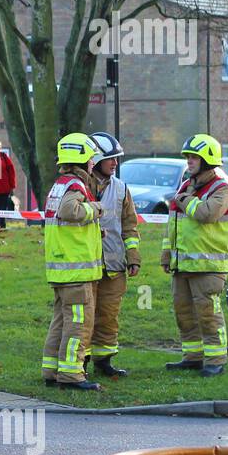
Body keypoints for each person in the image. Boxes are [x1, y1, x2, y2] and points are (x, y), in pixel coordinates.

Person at [162, 134, 228, 377]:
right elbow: (172, 224)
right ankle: (192, 357)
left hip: (208, 266)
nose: (189, 161)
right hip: (182, 265)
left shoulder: (221, 188)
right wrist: (167, 253)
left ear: (207, 159)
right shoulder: (186, 186)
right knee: (184, 314)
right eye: (187, 157)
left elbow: (207, 213)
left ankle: (216, 360)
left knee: (208, 315)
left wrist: (185, 200)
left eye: (193, 157)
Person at [41, 133, 105, 391]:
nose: (93, 163)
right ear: (81, 160)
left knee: (60, 322)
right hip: (75, 271)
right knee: (78, 324)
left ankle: (51, 370)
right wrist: (96, 209)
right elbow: (70, 211)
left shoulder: (59, 184)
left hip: (62, 270)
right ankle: (71, 375)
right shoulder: (75, 186)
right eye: (91, 159)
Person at [86, 132, 140, 378]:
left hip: (114, 265)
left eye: (116, 159)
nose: (115, 163)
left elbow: (129, 226)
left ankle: (104, 361)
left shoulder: (121, 189)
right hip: (86, 266)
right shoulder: (79, 186)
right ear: (95, 159)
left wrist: (133, 256)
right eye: (111, 159)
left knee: (108, 315)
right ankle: (80, 362)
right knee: (85, 317)